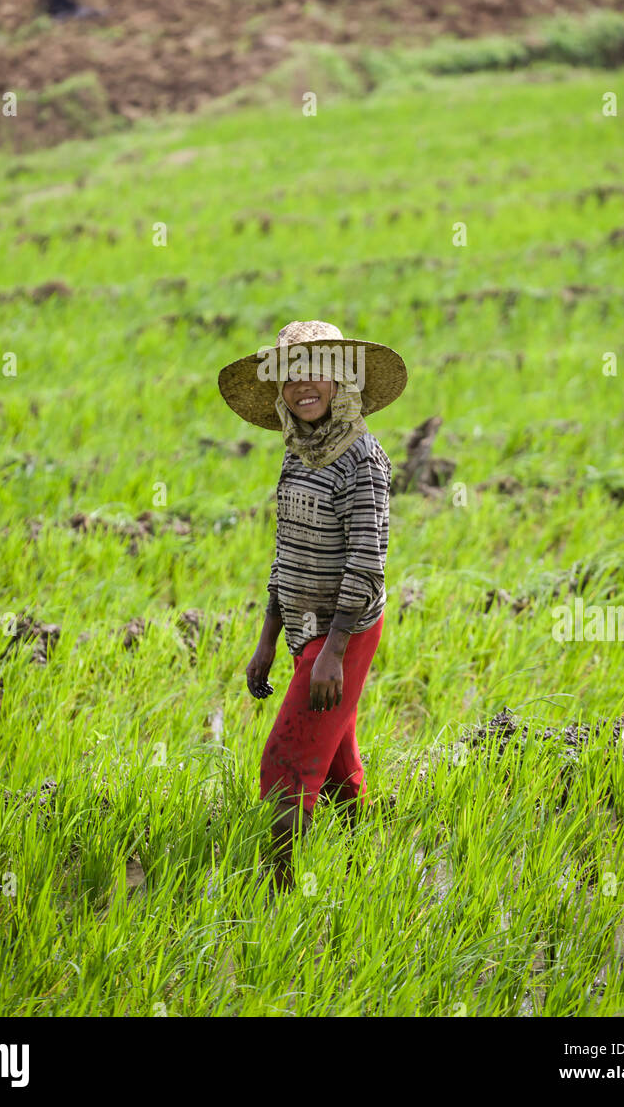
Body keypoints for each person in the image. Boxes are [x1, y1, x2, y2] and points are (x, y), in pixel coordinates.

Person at [217, 320, 407, 891]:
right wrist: (268, 640)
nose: (304, 385)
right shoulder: (298, 452)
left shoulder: (360, 459)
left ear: (341, 380)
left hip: (341, 632)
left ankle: (278, 894)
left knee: (284, 765)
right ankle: (360, 876)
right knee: (338, 773)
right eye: (292, 372)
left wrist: (334, 654)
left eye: (316, 370)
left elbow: (367, 561)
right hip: (302, 629)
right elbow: (286, 551)